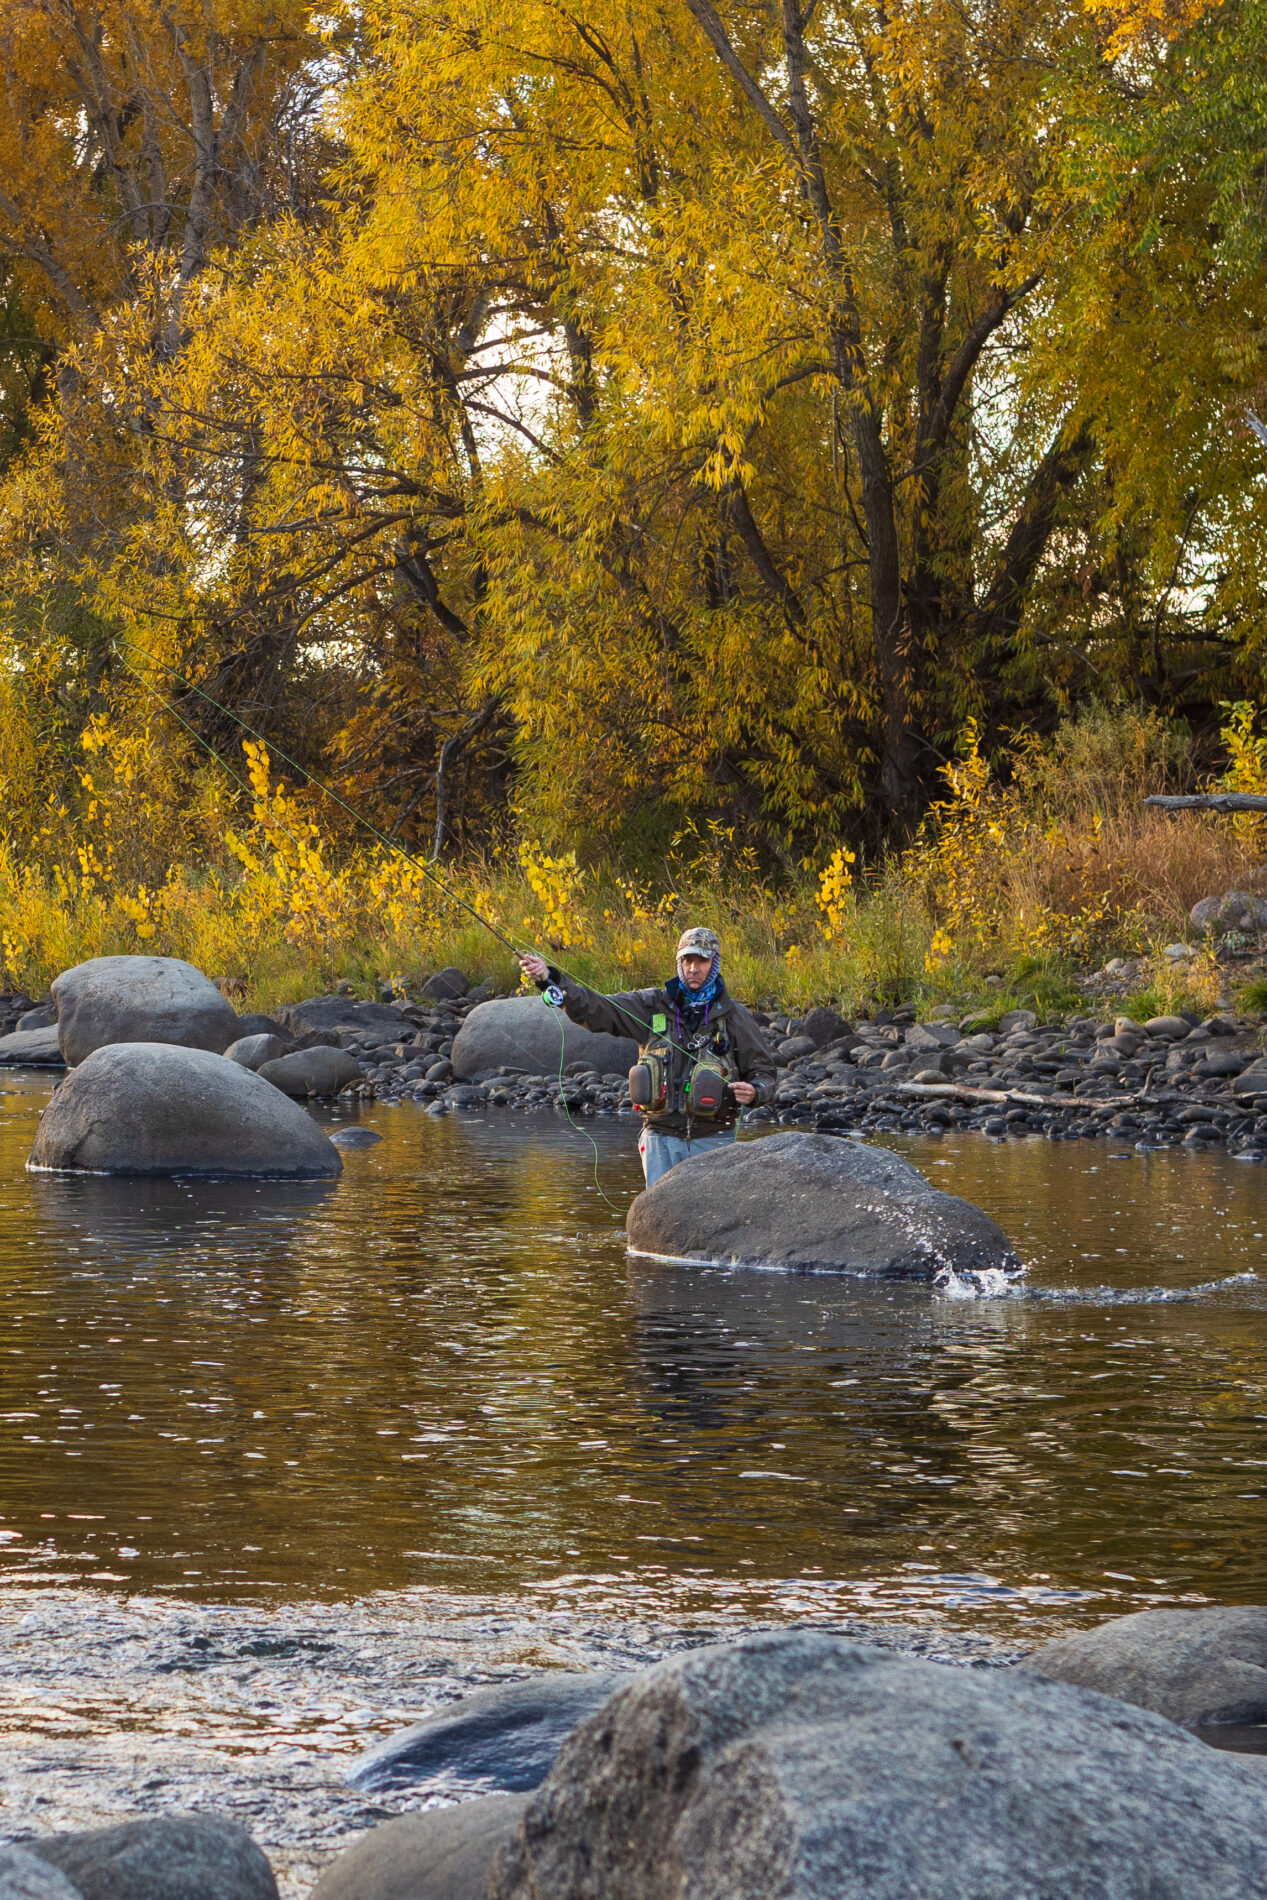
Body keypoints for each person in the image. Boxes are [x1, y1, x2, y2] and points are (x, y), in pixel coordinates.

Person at [517, 926, 776, 1187]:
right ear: (679, 962)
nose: (693, 969)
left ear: (715, 963)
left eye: (702, 961)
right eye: (687, 960)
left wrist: (755, 1092)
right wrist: (549, 979)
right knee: (659, 1212)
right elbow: (597, 1009)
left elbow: (765, 1074)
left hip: (714, 1139)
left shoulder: (735, 1016)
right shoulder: (651, 1005)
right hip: (659, 1139)